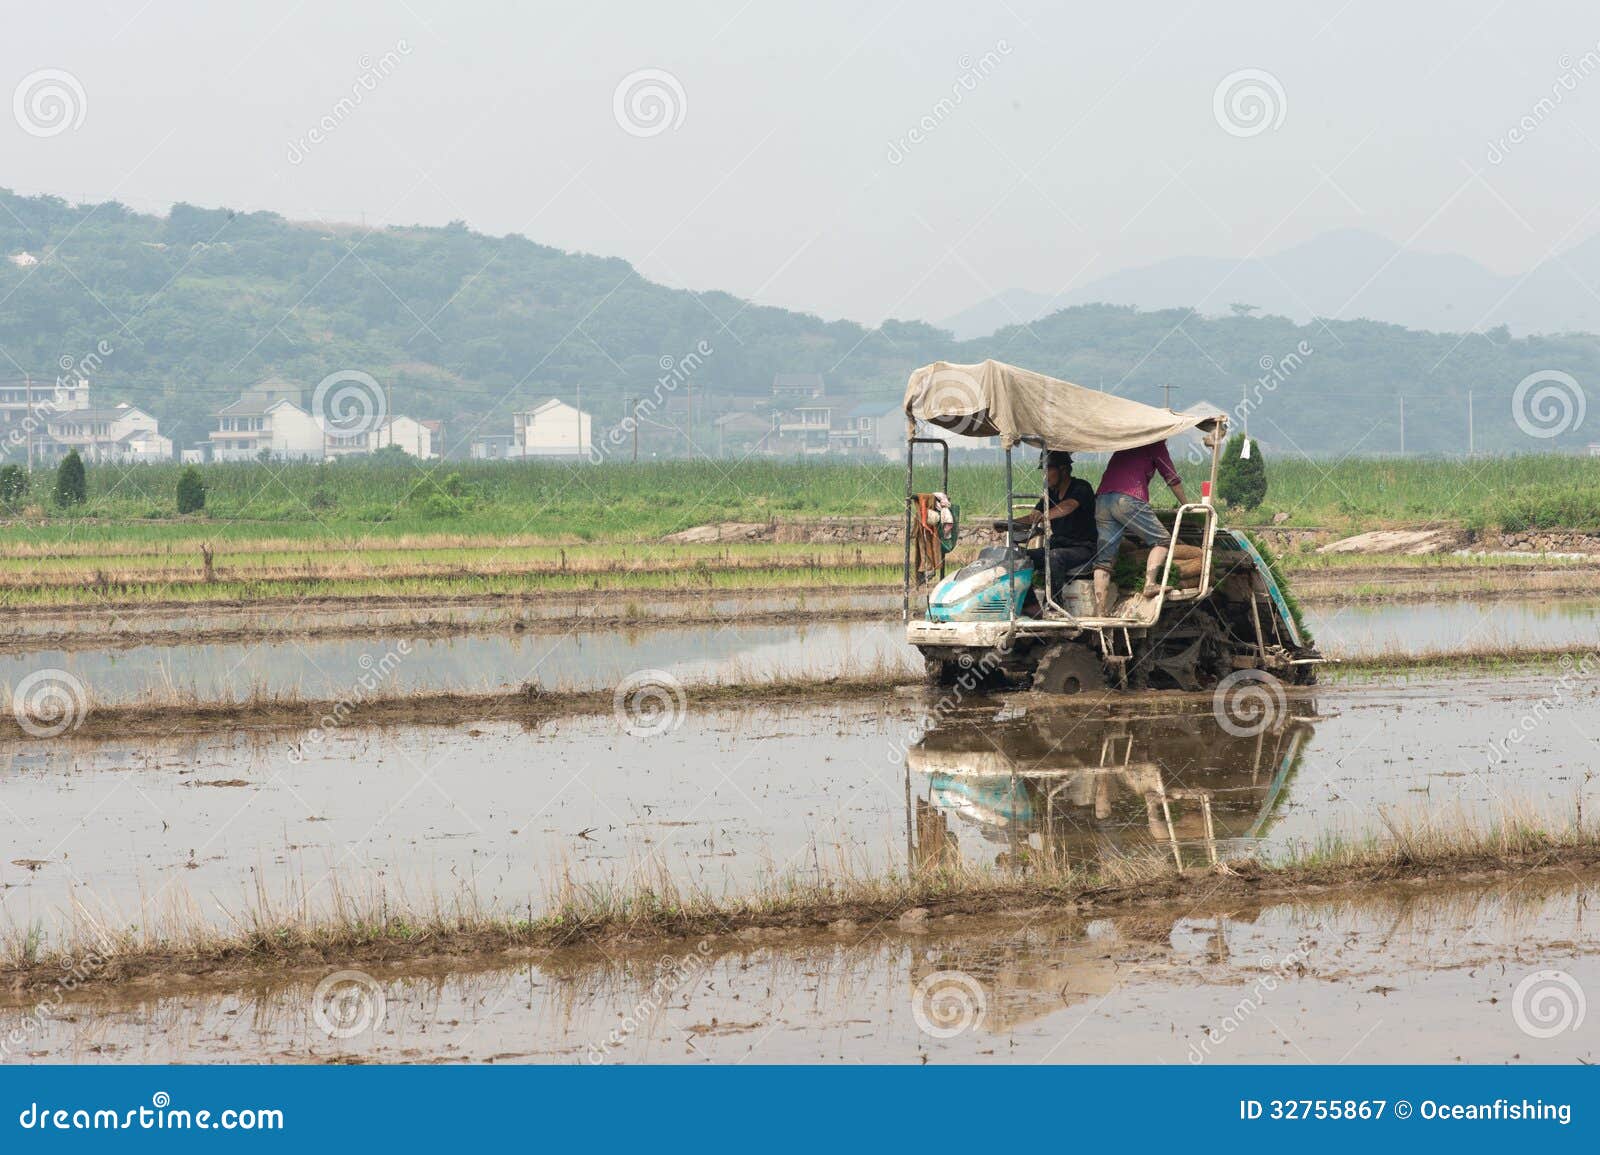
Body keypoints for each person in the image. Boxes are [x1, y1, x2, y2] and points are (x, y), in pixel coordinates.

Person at [1092, 438, 1189, 615]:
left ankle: (1100, 611)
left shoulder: (1128, 442)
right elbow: (1172, 478)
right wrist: (1187, 505)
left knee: (1105, 560)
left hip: (1102, 500)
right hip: (1128, 498)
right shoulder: (1155, 443)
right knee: (1162, 540)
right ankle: (1150, 584)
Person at [1017, 449, 1096, 596]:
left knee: (1054, 557)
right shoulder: (1050, 493)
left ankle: (1054, 606)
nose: (1045, 476)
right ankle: (1030, 604)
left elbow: (1068, 506)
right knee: (1020, 557)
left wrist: (1044, 516)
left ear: (1063, 469)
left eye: (1048, 470)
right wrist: (1007, 523)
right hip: (1056, 545)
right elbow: (1032, 517)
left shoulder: (1081, 487)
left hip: (1083, 548)